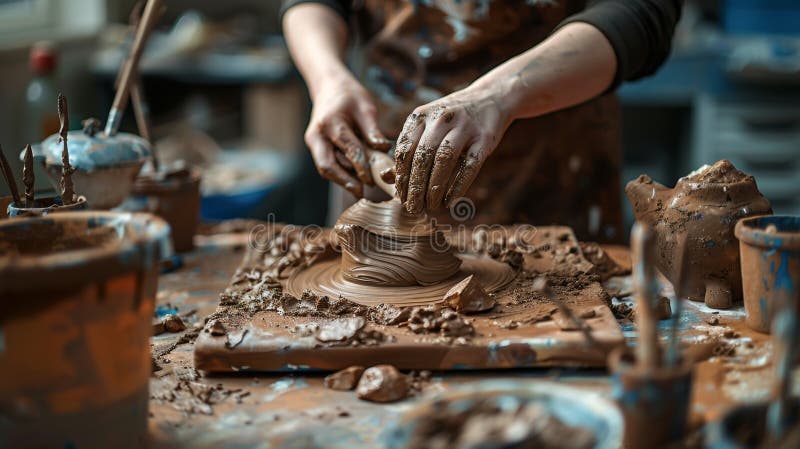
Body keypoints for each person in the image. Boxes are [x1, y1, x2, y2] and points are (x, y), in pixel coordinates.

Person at [282, 0, 682, 242]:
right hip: (384, 141)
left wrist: (499, 95)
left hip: (550, 157)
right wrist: (329, 79)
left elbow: (643, 12)